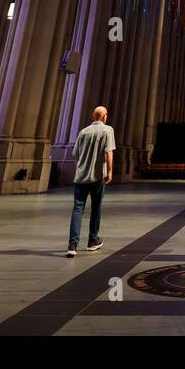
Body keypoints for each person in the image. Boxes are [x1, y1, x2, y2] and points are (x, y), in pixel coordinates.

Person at [67, 105, 114, 258]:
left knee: (78, 209)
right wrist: (110, 171)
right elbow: (108, 152)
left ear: (93, 116)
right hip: (97, 175)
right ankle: (92, 241)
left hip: (81, 176)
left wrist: (80, 169)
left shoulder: (83, 131)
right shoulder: (107, 130)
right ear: (104, 116)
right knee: (96, 207)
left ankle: (72, 245)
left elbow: (76, 154)